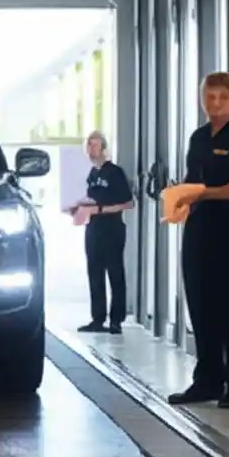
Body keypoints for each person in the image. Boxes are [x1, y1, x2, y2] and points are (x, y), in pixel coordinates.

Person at [165, 71, 229, 409]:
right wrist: (181, 199)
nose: (215, 103)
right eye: (210, 97)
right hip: (199, 229)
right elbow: (193, 182)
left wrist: (207, 194)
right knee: (201, 302)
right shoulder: (198, 138)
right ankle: (207, 380)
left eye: (222, 97)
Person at [71, 131, 135, 335]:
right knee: (95, 273)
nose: (91, 149)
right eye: (89, 145)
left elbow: (128, 202)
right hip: (93, 229)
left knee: (115, 273)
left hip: (112, 229)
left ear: (104, 148)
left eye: (95, 145)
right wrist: (80, 208)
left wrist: (99, 210)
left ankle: (116, 320)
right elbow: (93, 200)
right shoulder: (92, 174)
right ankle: (97, 318)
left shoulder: (114, 172)